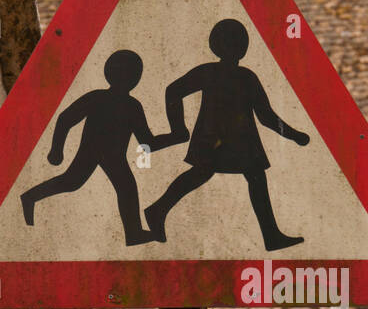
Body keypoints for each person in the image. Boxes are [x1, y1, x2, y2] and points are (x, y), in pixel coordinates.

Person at [143, 18, 310, 250]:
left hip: (240, 141)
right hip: (213, 140)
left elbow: (266, 116)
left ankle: (158, 210)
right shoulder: (211, 72)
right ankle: (157, 210)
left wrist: (293, 134)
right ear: (218, 46)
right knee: (209, 173)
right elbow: (173, 91)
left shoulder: (246, 77)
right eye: (232, 42)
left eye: (241, 42)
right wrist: (177, 128)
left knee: (243, 176)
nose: (238, 47)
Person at [21, 49, 160, 246]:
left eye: (131, 73)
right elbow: (66, 119)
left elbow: (146, 140)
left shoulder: (133, 106)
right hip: (93, 151)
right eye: (122, 72)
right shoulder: (98, 97)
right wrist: (56, 149)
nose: (127, 78)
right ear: (110, 73)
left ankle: (134, 232)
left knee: (119, 186)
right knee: (75, 183)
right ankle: (29, 196)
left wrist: (174, 138)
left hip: (114, 155)